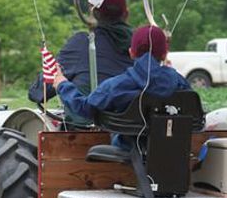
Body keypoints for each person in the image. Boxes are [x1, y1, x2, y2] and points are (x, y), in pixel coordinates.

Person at [53, 25, 191, 152]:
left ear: (131, 53)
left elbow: (84, 108)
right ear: (164, 54)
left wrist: (62, 84)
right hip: (177, 153)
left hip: (127, 156)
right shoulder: (180, 83)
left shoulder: (116, 86)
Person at [28, 0, 134, 125]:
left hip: (85, 133)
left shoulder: (82, 43)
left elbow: (37, 92)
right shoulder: (144, 47)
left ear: (94, 13)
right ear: (126, 14)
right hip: (134, 133)